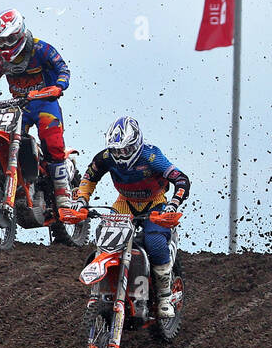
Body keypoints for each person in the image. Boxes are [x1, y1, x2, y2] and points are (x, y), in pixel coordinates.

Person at [0, 9, 72, 211]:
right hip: (17, 106)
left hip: (44, 102)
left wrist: (58, 87)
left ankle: (62, 193)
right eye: (1, 40)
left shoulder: (40, 49)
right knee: (5, 140)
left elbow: (63, 69)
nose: (6, 45)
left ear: (20, 34)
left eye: (10, 39)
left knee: (52, 141)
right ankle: (16, 184)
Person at [72, 117, 190, 319]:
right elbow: (89, 177)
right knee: (106, 242)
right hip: (124, 203)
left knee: (155, 242)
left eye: (125, 150)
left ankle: (164, 296)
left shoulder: (151, 156)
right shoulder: (105, 157)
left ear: (136, 144)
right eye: (116, 150)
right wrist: (82, 200)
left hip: (155, 203)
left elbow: (181, 179)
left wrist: (173, 204)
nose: (120, 155)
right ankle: (103, 291)